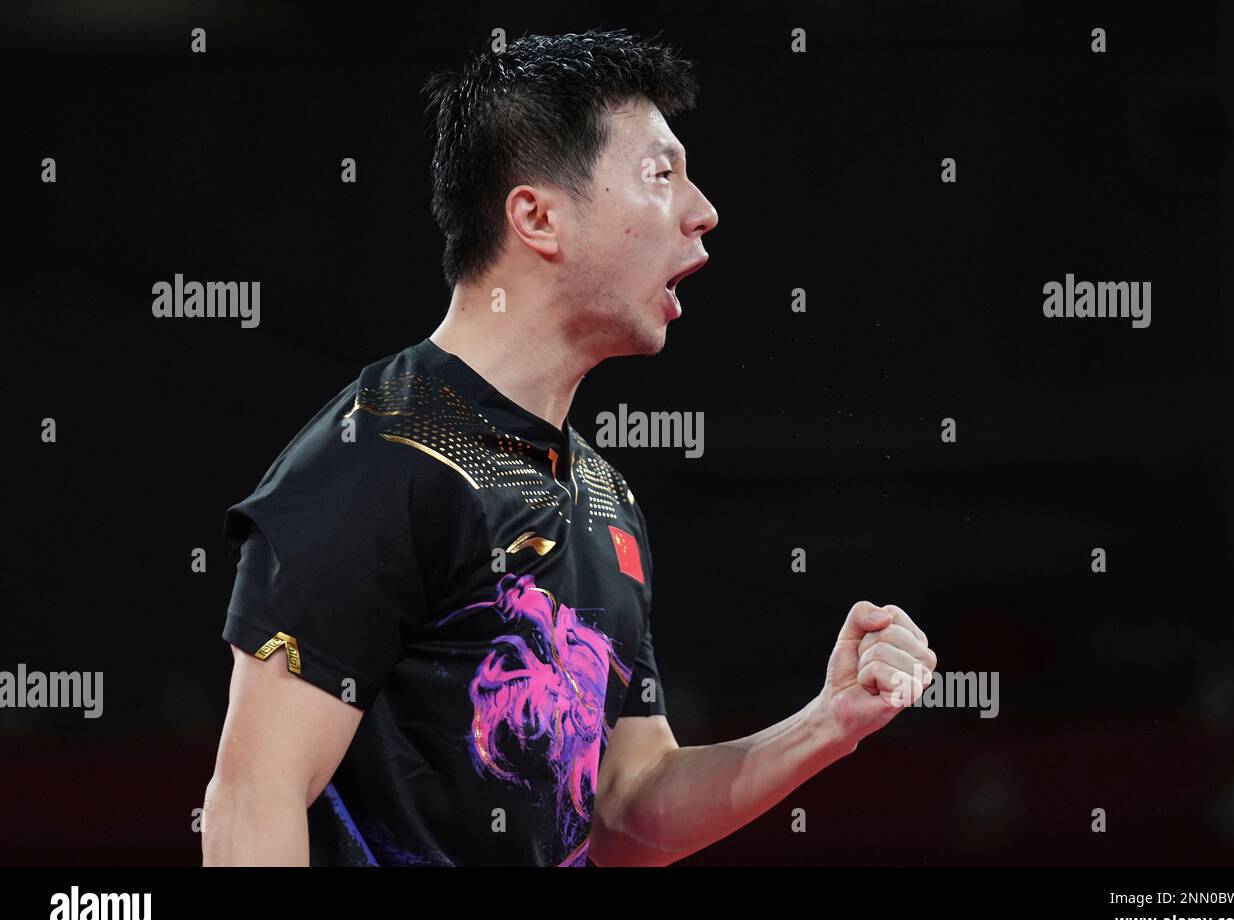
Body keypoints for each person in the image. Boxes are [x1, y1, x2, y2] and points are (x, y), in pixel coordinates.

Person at [202, 27, 937, 867]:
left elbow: (626, 809)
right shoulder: (374, 461)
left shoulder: (600, 496)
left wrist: (826, 724)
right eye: (662, 176)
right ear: (538, 217)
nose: (704, 212)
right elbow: (252, 803)